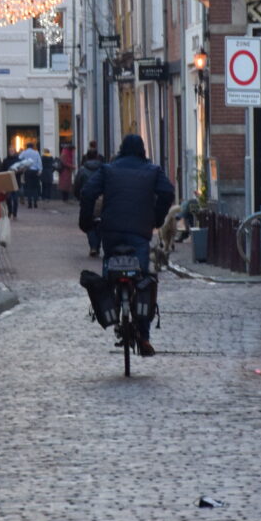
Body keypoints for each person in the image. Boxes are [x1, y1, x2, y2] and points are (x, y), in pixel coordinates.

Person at [77, 134, 174, 356]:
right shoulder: (152, 171)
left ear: (121, 149)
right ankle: (144, 337)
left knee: (109, 273)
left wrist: (86, 222)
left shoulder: (108, 170)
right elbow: (168, 192)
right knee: (142, 280)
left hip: (111, 231)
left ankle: (110, 308)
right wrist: (156, 218)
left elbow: (87, 192)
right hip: (140, 232)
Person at [73, 143, 106, 257]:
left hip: (86, 198)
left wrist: (78, 196)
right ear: (97, 156)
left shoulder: (82, 170)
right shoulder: (104, 169)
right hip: (101, 199)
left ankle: (93, 246)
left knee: (88, 223)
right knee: (100, 222)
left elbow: (77, 185)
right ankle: (97, 245)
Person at [18, 140, 42, 209]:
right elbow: (39, 162)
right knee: (35, 187)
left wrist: (22, 166)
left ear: (27, 147)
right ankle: (35, 202)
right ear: (33, 147)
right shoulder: (36, 153)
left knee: (28, 187)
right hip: (35, 171)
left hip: (27, 171)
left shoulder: (24, 152)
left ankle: (29, 203)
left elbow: (19, 159)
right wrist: (40, 170)